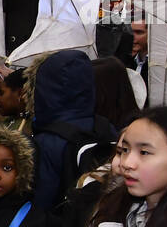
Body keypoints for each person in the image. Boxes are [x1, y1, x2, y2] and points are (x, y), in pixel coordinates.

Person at [30, 49, 114, 213]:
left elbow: (43, 199)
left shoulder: (47, 141)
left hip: (62, 226)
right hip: (99, 218)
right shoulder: (106, 126)